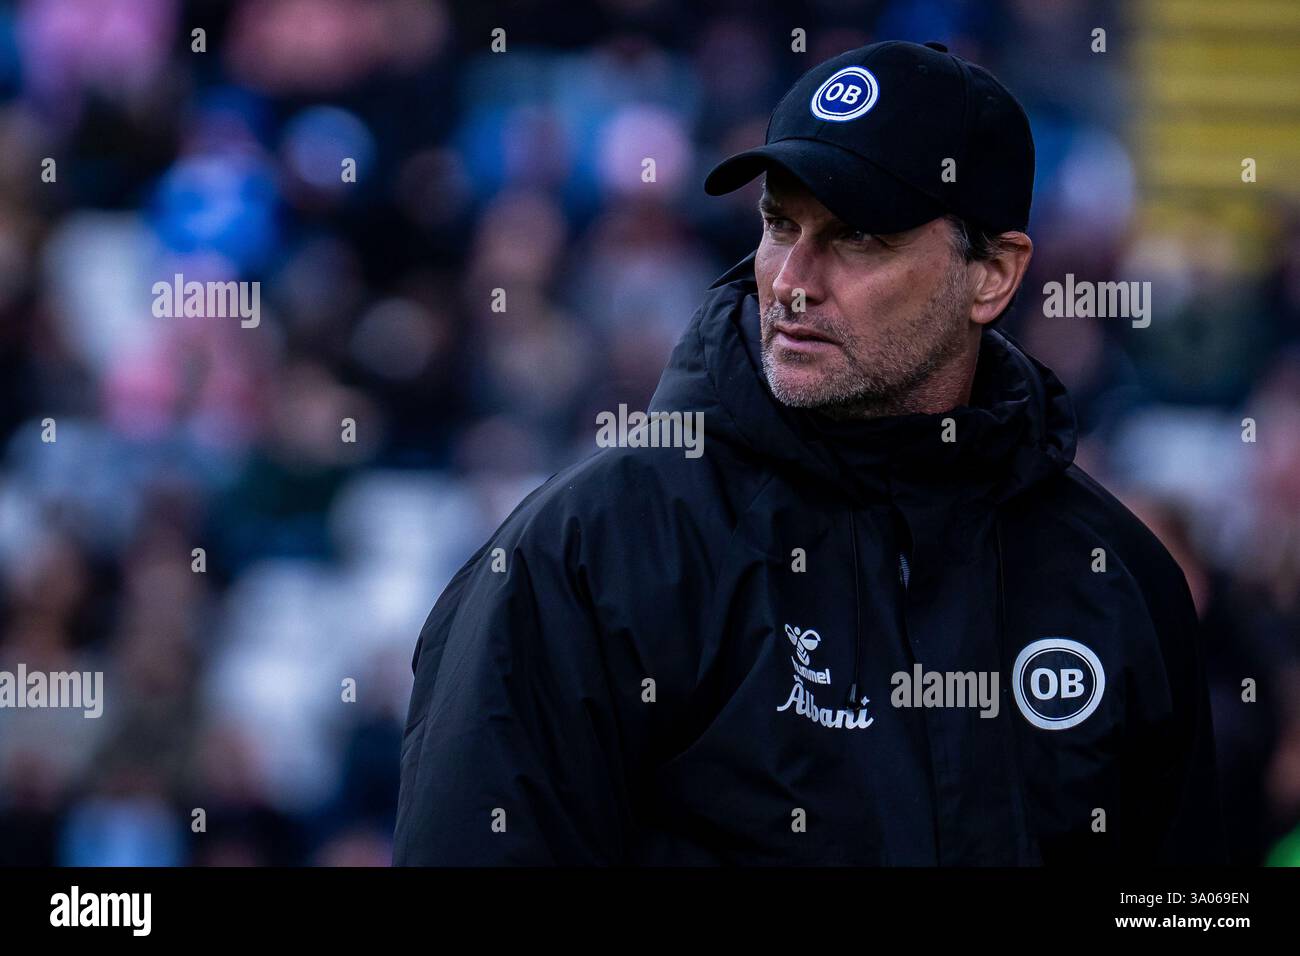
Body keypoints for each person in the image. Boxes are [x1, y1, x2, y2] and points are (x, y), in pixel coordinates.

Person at [393, 40, 1226, 865]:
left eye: (858, 235)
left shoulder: (1116, 582)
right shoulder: (587, 556)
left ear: (992, 276)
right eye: (780, 222)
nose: (792, 277)